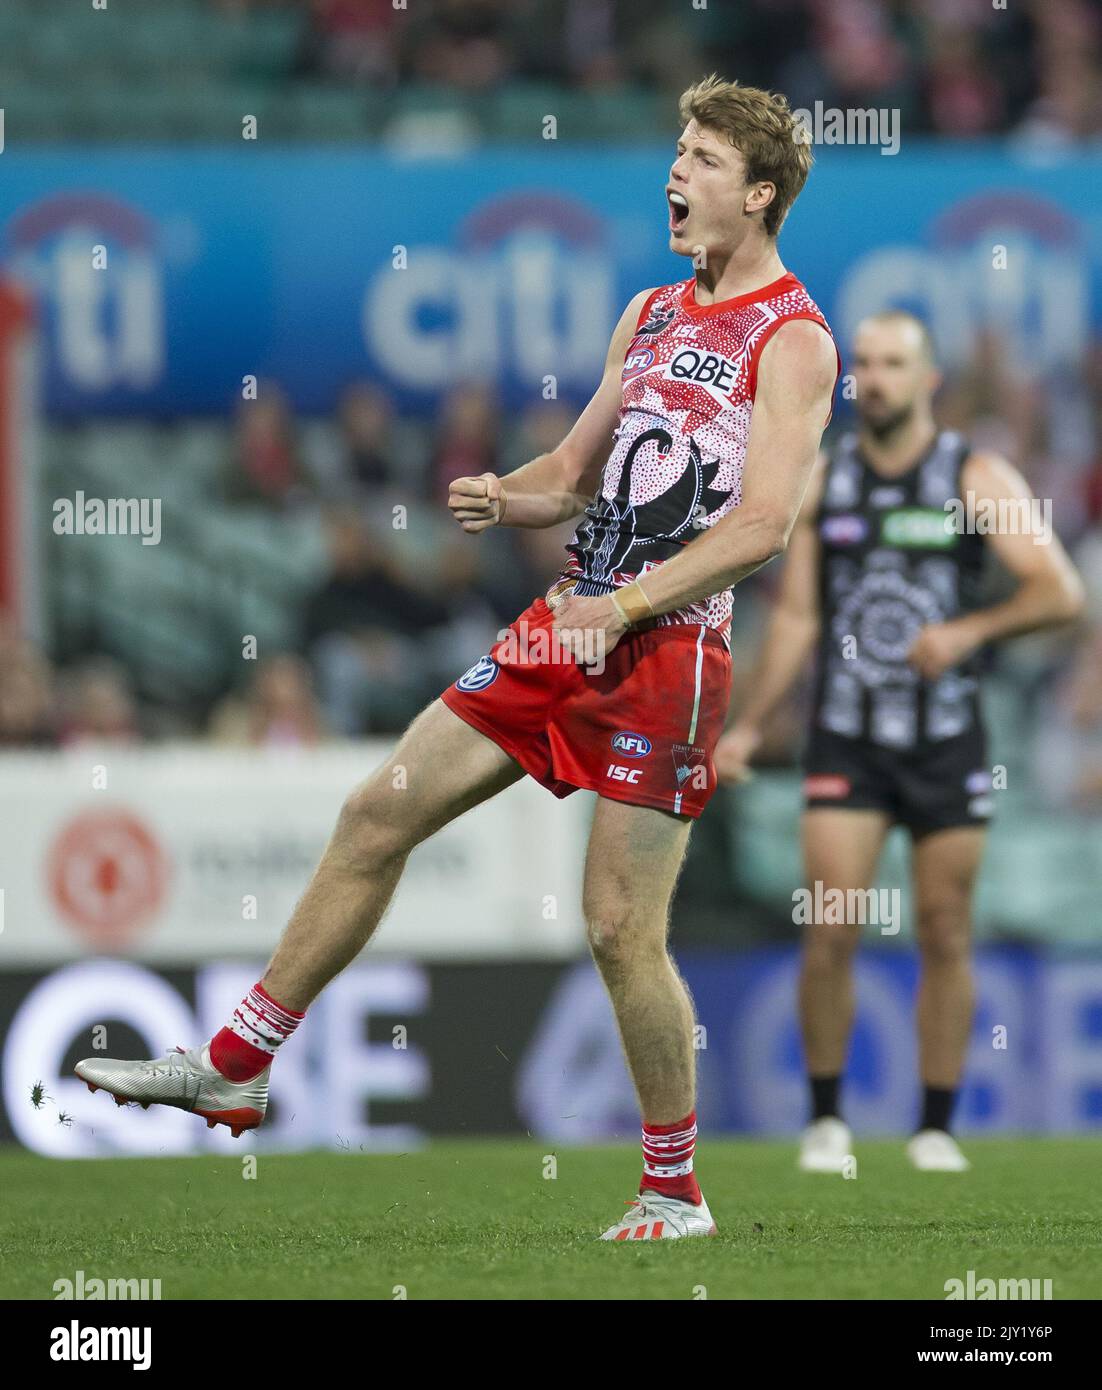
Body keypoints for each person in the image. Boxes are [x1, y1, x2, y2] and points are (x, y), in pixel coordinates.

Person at [77, 75, 840, 1241]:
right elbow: (579, 474)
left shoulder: (792, 341)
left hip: (670, 649)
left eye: (698, 158)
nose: (674, 174)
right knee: (376, 808)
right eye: (675, 152)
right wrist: (506, 493)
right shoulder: (649, 313)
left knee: (617, 928)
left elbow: (763, 524)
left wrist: (626, 600)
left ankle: (673, 1189)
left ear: (763, 191)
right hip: (566, 622)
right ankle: (235, 1061)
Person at [715, 310, 1085, 1172]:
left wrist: (970, 633)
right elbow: (800, 614)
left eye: (892, 365)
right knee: (831, 927)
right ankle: (826, 1121)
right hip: (846, 737)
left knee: (946, 928)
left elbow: (1059, 592)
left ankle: (934, 1125)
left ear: (929, 382)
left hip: (947, 738)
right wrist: (752, 726)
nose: (873, 379)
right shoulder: (826, 480)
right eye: (864, 365)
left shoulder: (974, 475)